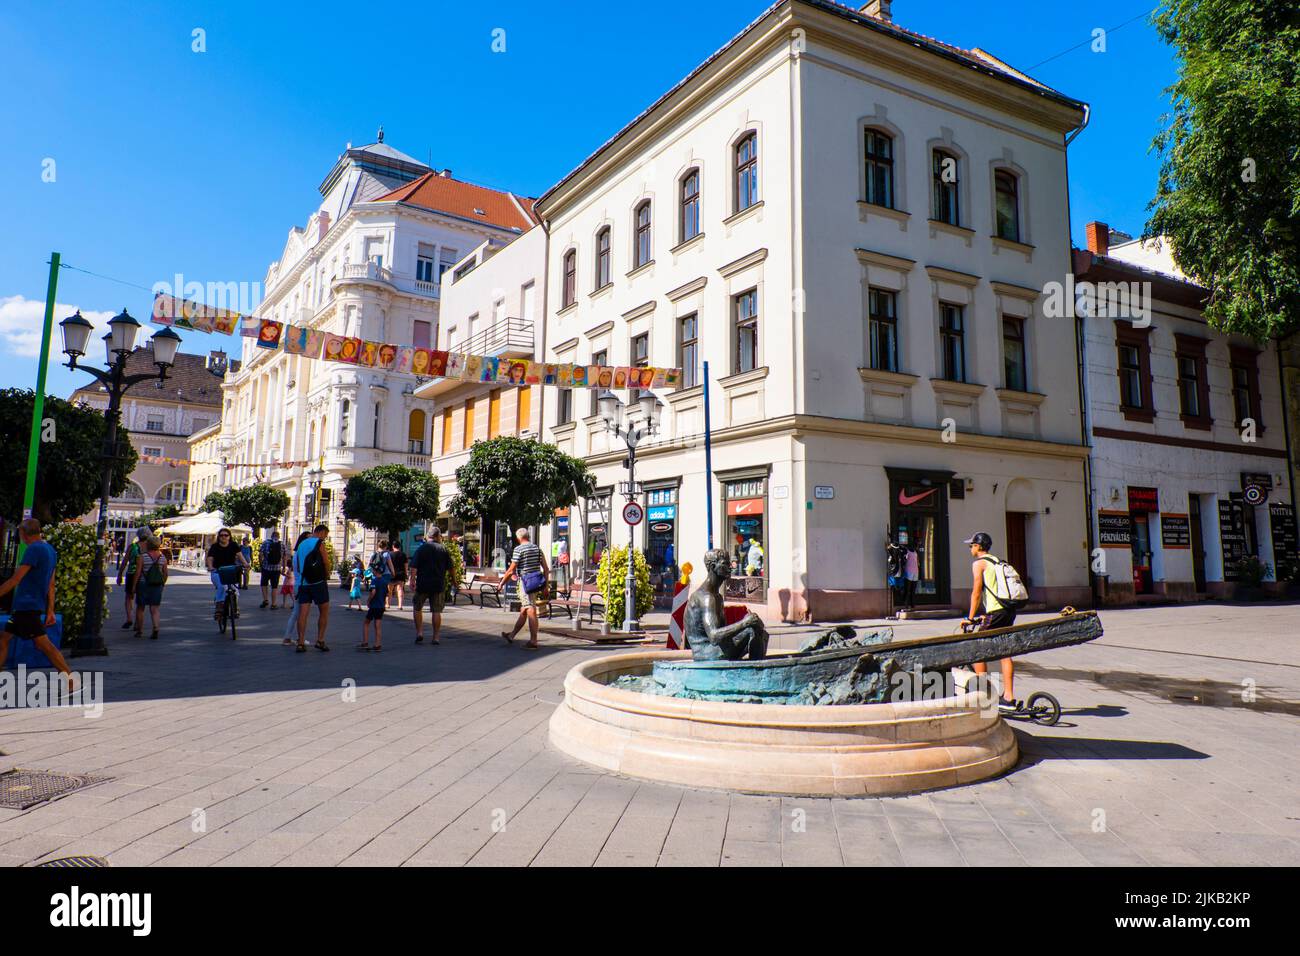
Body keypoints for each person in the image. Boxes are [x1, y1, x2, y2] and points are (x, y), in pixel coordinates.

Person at [0, 519, 75, 692]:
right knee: (4, 638)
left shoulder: (33, 550)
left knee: (44, 645)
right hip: (32, 605)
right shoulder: (50, 550)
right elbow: (51, 583)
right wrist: (50, 609)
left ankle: (70, 680)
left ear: (23, 534)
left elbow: (16, 579)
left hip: (26, 604)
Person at [961, 531, 1020, 713]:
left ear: (978, 547)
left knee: (977, 648)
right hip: (1008, 611)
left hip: (996, 611)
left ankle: (983, 695)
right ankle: (1009, 697)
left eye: (971, 545)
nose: (970, 548)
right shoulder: (998, 561)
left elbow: (977, 593)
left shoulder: (979, 564)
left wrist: (970, 618)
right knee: (1005, 652)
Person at [500, 528, 549, 650]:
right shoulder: (537, 549)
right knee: (524, 609)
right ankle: (511, 635)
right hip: (536, 582)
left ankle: (533, 641)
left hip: (525, 582)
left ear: (518, 538)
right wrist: (545, 585)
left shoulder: (518, 549)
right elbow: (546, 568)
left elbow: (511, 570)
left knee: (530, 609)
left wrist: (501, 583)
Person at [294, 524, 333, 652]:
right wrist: (327, 574)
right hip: (318, 582)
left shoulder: (301, 545)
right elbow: (326, 561)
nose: (325, 538)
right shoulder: (319, 543)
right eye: (325, 535)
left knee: (303, 613)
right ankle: (320, 640)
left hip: (304, 583)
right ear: (321, 532)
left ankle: (300, 642)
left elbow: (299, 565)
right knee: (324, 610)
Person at [412, 527, 452, 645]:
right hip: (438, 584)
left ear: (428, 536)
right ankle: (436, 637)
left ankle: (419, 633)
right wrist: (453, 581)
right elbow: (451, 568)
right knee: (436, 611)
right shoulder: (443, 549)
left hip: (422, 583)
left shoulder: (421, 549)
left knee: (417, 608)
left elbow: (414, 566)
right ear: (437, 536)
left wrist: (412, 580)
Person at [131, 535, 168, 640]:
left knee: (140, 607)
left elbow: (137, 573)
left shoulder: (142, 557)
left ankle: (140, 630)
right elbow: (165, 573)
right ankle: (155, 628)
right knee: (155, 608)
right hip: (157, 585)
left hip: (143, 584)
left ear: (148, 544)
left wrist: (134, 586)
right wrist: (162, 583)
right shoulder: (163, 557)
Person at [206, 528, 248, 620]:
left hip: (231, 571)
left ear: (229, 537)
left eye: (226, 535)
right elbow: (210, 558)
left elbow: (240, 556)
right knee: (222, 586)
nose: (224, 537)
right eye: (221, 535)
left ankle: (235, 609)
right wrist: (210, 567)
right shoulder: (215, 547)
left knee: (235, 590)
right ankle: (219, 608)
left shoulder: (233, 545)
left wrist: (245, 564)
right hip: (217, 571)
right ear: (219, 537)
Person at [116, 528, 148, 630]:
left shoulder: (132, 547)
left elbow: (125, 561)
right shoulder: (148, 547)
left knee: (129, 597)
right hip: (143, 574)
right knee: (140, 599)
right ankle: (137, 623)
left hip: (131, 573)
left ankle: (129, 618)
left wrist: (120, 574)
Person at [259, 531, 285, 609]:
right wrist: (284, 567)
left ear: (271, 536)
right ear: (279, 536)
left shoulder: (265, 543)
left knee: (264, 584)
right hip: (276, 569)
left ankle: (265, 600)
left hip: (266, 567)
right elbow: (284, 557)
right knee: (274, 586)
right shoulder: (282, 544)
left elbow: (260, 554)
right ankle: (273, 604)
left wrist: (261, 564)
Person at [388, 540, 408, 610]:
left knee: (389, 590)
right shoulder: (403, 554)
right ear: (399, 546)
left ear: (393, 546)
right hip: (401, 574)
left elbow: (388, 565)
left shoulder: (390, 554)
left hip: (391, 574)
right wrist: (406, 574)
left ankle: (388, 604)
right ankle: (400, 606)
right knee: (400, 589)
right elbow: (406, 566)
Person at [902, 543, 919, 609]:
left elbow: (917, 562)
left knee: (911, 590)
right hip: (910, 572)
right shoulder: (908, 552)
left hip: (913, 572)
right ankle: (907, 604)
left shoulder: (914, 552)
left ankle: (911, 604)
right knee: (909, 589)